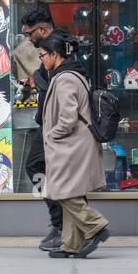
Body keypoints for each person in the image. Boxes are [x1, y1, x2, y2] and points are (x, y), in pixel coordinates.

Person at [37, 33, 110, 259]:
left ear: (55, 54)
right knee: (69, 190)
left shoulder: (65, 78)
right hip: (74, 143)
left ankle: (96, 226)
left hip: (71, 144)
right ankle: (71, 244)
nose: (42, 60)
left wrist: (51, 134)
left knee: (61, 191)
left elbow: (68, 118)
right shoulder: (71, 74)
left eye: (43, 56)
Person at [16, 7, 66, 251]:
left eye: (30, 33)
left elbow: (63, 82)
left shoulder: (60, 48)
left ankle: (63, 225)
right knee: (43, 169)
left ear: (43, 29)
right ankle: (62, 223)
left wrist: (38, 76)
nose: (28, 39)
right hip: (48, 122)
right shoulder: (51, 51)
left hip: (56, 123)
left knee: (38, 166)